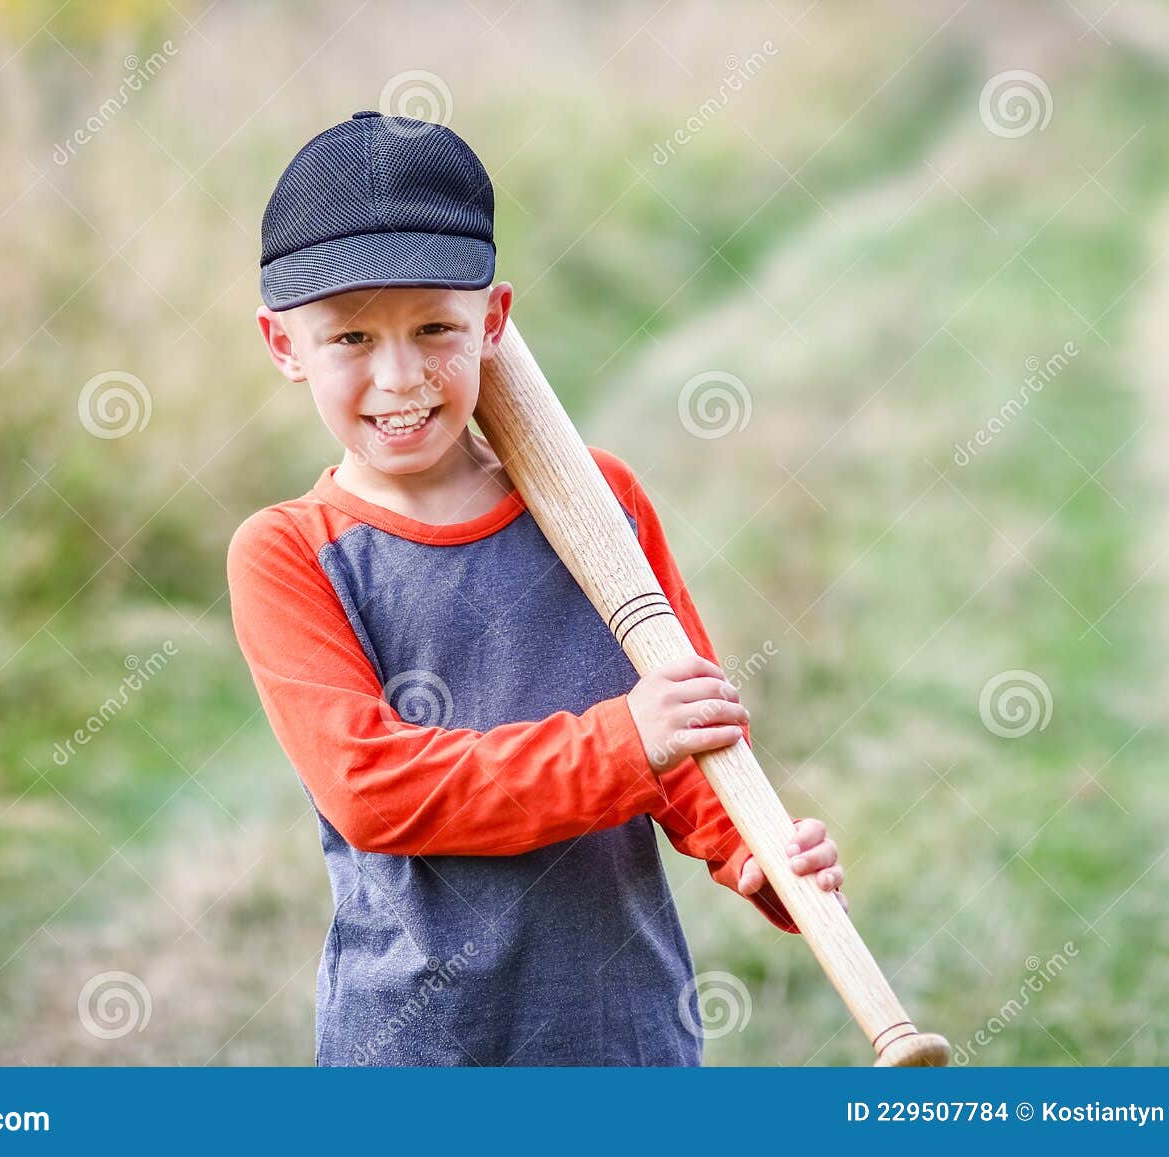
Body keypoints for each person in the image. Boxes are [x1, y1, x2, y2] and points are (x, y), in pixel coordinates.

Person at [227, 110, 845, 1066]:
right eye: (350, 336)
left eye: (436, 327)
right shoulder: (291, 555)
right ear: (282, 344)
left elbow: (687, 734)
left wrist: (756, 853)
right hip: (417, 1049)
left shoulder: (596, 503)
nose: (399, 376)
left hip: (624, 1032)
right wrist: (625, 740)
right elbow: (375, 791)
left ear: (495, 320)